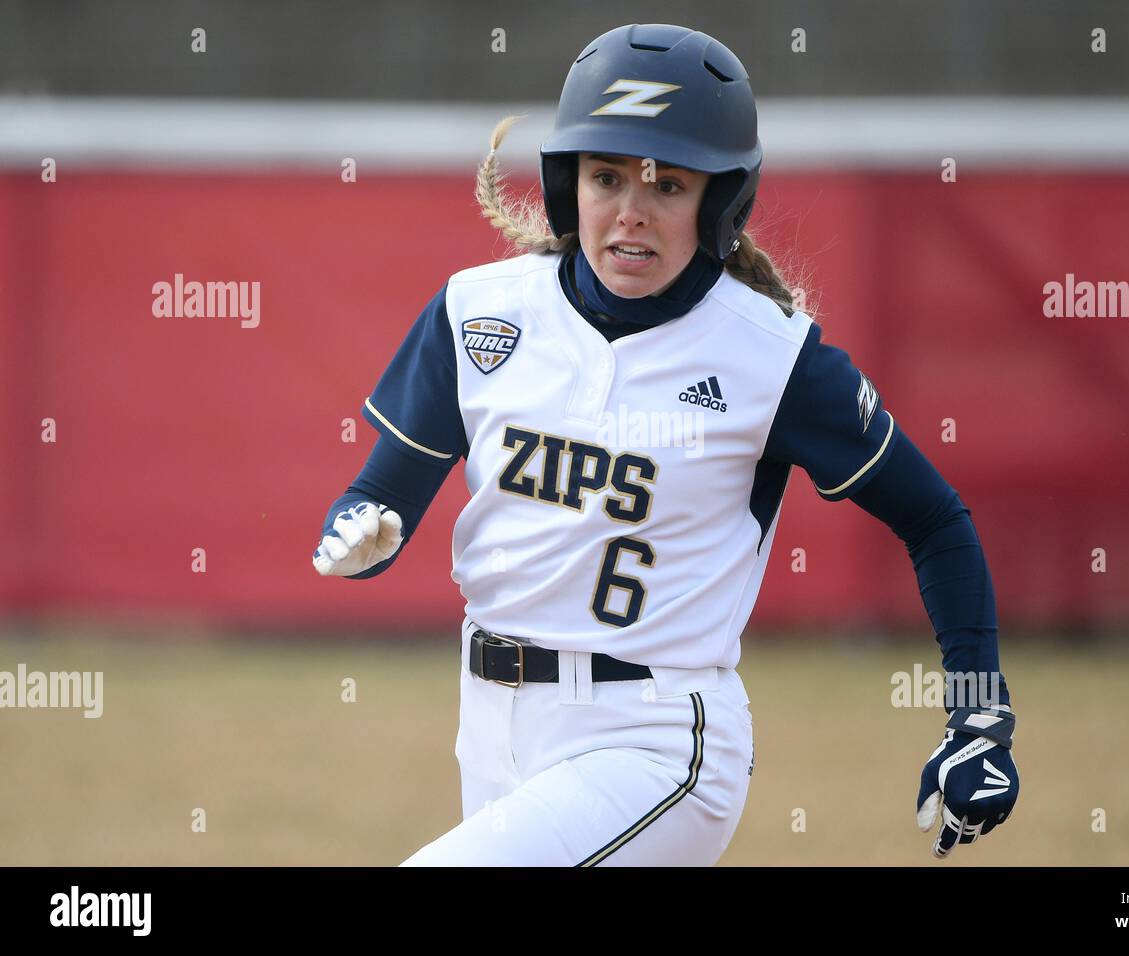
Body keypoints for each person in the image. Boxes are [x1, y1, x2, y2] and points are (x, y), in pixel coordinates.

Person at [312, 23, 1018, 866]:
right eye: (606, 176)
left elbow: (935, 520)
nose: (631, 210)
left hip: (654, 741)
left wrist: (979, 714)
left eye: (669, 184)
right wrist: (362, 528)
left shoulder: (769, 356)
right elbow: (380, 496)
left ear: (719, 203)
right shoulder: (480, 312)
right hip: (490, 721)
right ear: (567, 182)